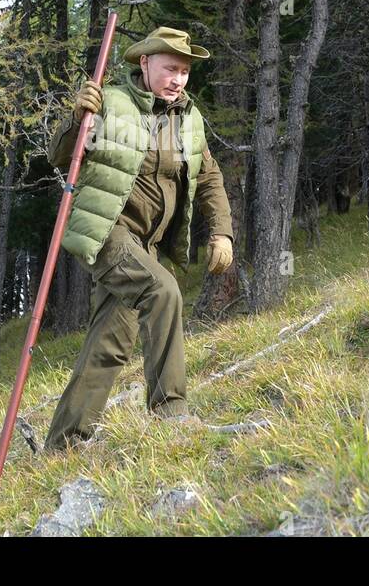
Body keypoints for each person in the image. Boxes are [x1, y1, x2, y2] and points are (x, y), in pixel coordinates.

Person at [41, 25, 235, 453]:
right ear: (145, 63)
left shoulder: (188, 118)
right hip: (107, 231)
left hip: (145, 244)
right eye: (170, 68)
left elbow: (209, 177)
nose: (178, 79)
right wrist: (77, 119)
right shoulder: (112, 102)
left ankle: (62, 446)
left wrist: (221, 230)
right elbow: (60, 156)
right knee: (162, 290)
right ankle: (171, 412)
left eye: (184, 72)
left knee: (110, 343)